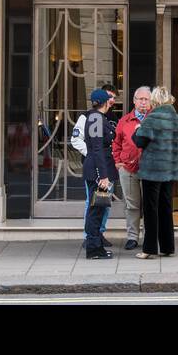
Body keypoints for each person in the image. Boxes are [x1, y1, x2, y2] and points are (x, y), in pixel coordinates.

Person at [130, 86, 178, 260]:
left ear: (155, 101)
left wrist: (136, 130)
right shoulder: (177, 119)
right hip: (170, 170)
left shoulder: (152, 119)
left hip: (152, 171)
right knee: (166, 208)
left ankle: (149, 248)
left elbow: (139, 141)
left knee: (150, 209)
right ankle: (168, 246)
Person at [71, 84, 117, 246]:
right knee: (94, 204)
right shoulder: (92, 117)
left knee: (103, 204)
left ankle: (98, 234)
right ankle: (91, 238)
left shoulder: (106, 117)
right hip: (98, 167)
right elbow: (82, 142)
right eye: (109, 97)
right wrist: (92, 157)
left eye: (114, 97)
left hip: (106, 166)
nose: (112, 100)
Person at [112, 86, 152, 252]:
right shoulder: (125, 121)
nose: (143, 102)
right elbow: (116, 143)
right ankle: (132, 237)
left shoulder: (154, 119)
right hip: (128, 168)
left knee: (150, 205)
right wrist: (117, 161)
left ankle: (149, 237)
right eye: (140, 99)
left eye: (146, 99)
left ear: (151, 102)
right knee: (131, 205)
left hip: (150, 169)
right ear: (134, 101)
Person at [81, 89, 120, 260]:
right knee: (95, 210)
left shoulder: (96, 117)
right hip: (98, 170)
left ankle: (96, 247)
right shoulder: (96, 118)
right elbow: (97, 148)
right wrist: (102, 176)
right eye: (109, 99)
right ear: (104, 102)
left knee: (97, 209)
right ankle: (93, 248)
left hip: (100, 168)